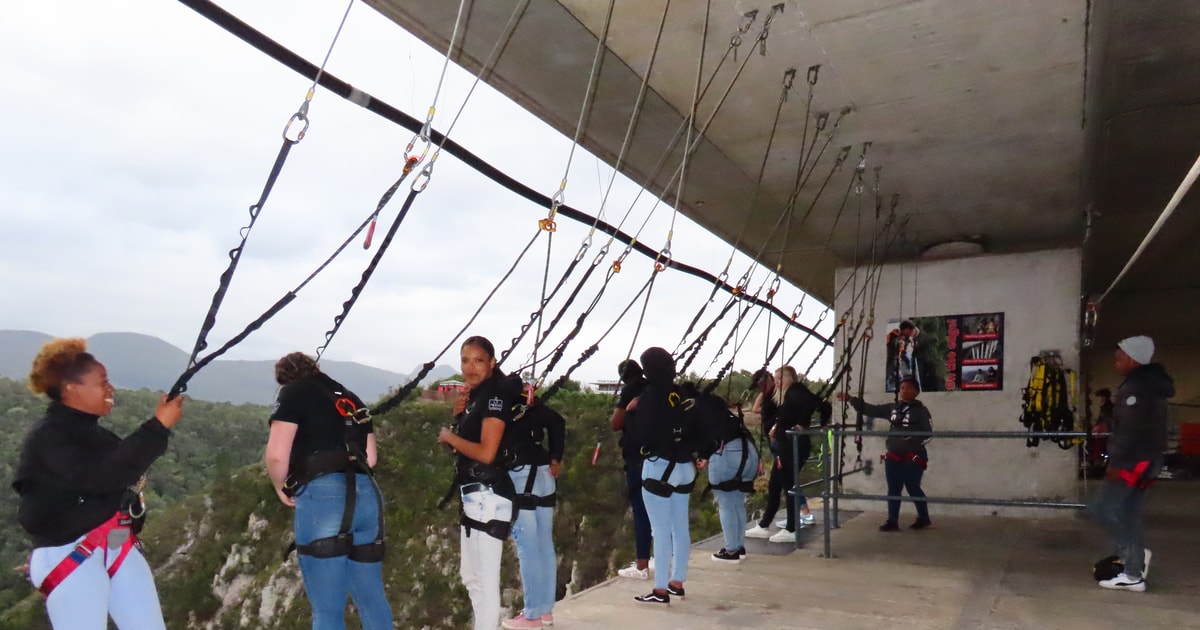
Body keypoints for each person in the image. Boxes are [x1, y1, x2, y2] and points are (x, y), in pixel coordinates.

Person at [14, 338, 184, 629]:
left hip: (115, 545)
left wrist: (156, 428)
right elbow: (101, 476)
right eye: (102, 382)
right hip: (67, 553)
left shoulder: (96, 437)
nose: (111, 389)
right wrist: (157, 426)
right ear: (71, 389)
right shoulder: (49, 437)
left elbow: (119, 468)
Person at [265, 351, 393, 629]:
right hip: (367, 496)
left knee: (327, 609)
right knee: (371, 598)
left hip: (324, 498)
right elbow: (370, 458)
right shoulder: (350, 398)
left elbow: (276, 455)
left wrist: (281, 487)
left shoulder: (293, 393)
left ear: (284, 378)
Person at [438, 336, 519, 629]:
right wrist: (460, 417)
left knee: (484, 580)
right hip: (475, 496)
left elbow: (486, 453)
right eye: (465, 360)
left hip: (488, 496)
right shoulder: (478, 397)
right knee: (471, 577)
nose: (470, 367)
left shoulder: (494, 397)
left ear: (492, 363)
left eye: (478, 360)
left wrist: (450, 437)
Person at [629, 347, 717, 604]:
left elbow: (640, 437)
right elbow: (703, 427)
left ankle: (659, 590)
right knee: (680, 528)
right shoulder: (680, 394)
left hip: (658, 467)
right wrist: (702, 452)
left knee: (660, 530)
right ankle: (676, 581)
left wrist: (632, 412)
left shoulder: (648, 397)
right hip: (684, 467)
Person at [1089, 336, 1174, 592]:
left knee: (1100, 510)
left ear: (1133, 359)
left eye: (1119, 358)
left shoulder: (1136, 387)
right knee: (1129, 512)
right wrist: (1110, 425)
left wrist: (1115, 463)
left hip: (1133, 460)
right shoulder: (1151, 384)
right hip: (1148, 458)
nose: (1115, 362)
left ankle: (1133, 566)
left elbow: (1131, 431)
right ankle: (1133, 561)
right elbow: (1136, 423)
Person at [502, 387, 566, 629]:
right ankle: (545, 610)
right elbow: (558, 421)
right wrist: (556, 456)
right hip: (544, 476)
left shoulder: (500, 405)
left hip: (521, 479)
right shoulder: (531, 406)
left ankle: (531, 615)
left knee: (528, 550)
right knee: (544, 545)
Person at [838, 376, 932, 531]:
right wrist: (851, 399)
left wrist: (912, 439)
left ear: (916, 392)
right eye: (902, 388)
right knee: (893, 489)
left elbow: (928, 433)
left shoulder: (922, 411)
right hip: (894, 455)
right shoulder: (892, 408)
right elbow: (871, 409)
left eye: (908, 388)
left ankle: (924, 518)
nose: (904, 391)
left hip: (914, 456)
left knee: (913, 487)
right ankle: (892, 521)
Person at [753, 366, 829, 544]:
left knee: (788, 487)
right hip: (785, 446)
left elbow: (820, 406)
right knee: (776, 485)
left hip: (791, 446)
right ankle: (765, 524)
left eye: (780, 379)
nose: (777, 382)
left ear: (789, 378)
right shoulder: (789, 394)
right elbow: (823, 406)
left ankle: (792, 528)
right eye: (776, 379)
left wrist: (802, 424)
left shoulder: (795, 393)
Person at [702, 388, 760, 563]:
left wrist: (701, 456)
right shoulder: (731, 419)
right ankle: (738, 546)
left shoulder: (706, 418)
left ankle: (731, 551)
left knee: (725, 503)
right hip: (749, 453)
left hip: (728, 455)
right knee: (737, 503)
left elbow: (704, 443)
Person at [611, 360, 653, 580]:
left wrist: (623, 408)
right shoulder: (654, 388)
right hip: (658, 456)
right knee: (662, 511)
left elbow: (616, 423)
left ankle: (642, 563)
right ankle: (662, 557)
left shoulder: (631, 390)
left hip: (637, 457)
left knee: (641, 510)